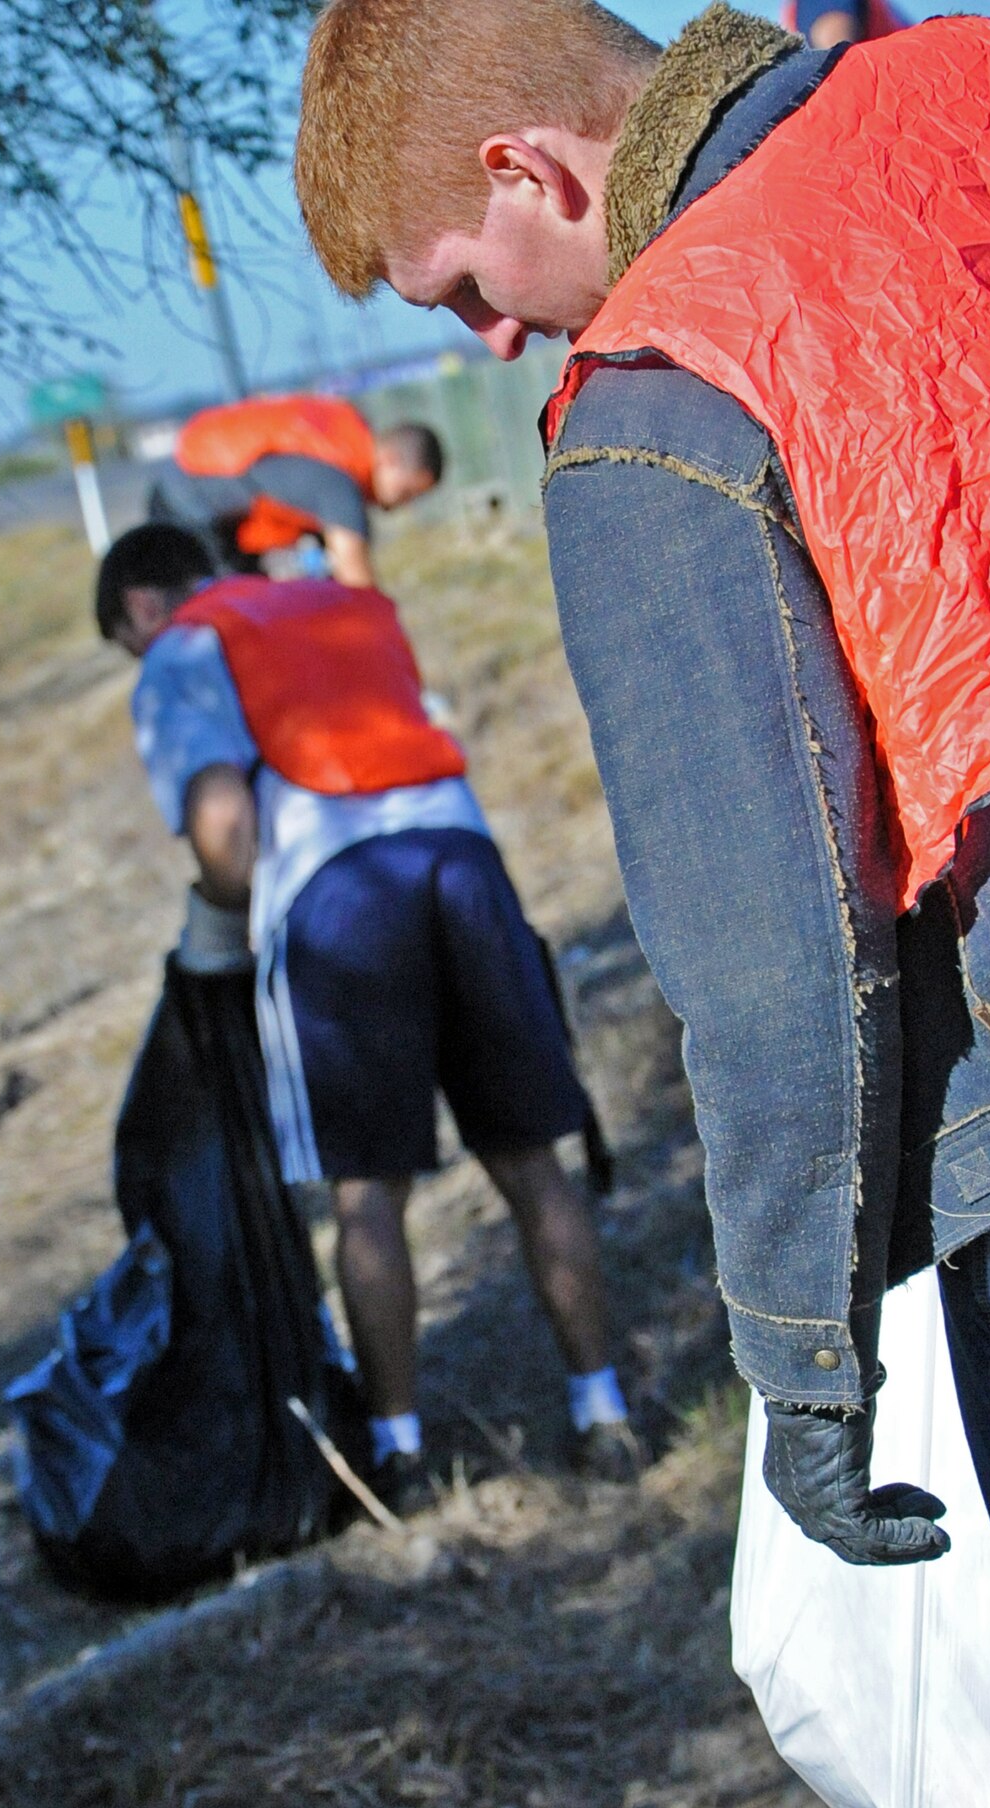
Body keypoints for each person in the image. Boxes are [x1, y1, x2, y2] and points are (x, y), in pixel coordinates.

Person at [294, 1, 990, 1808]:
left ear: (532, 170)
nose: (495, 343)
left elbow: (770, 972)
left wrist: (804, 1370)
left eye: (461, 294)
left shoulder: (669, 383)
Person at [95, 522, 639, 1516]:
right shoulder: (337, 602)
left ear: (139, 606)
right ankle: (600, 1405)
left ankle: (396, 1448)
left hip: (338, 897)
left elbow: (223, 824)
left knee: (366, 1194)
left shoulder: (180, 646)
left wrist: (229, 917)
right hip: (463, 861)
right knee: (528, 1160)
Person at [148, 392, 443, 588]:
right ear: (389, 460)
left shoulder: (342, 433)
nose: (403, 505)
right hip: (189, 515)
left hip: (189, 495)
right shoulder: (340, 483)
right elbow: (357, 582)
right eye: (407, 493)